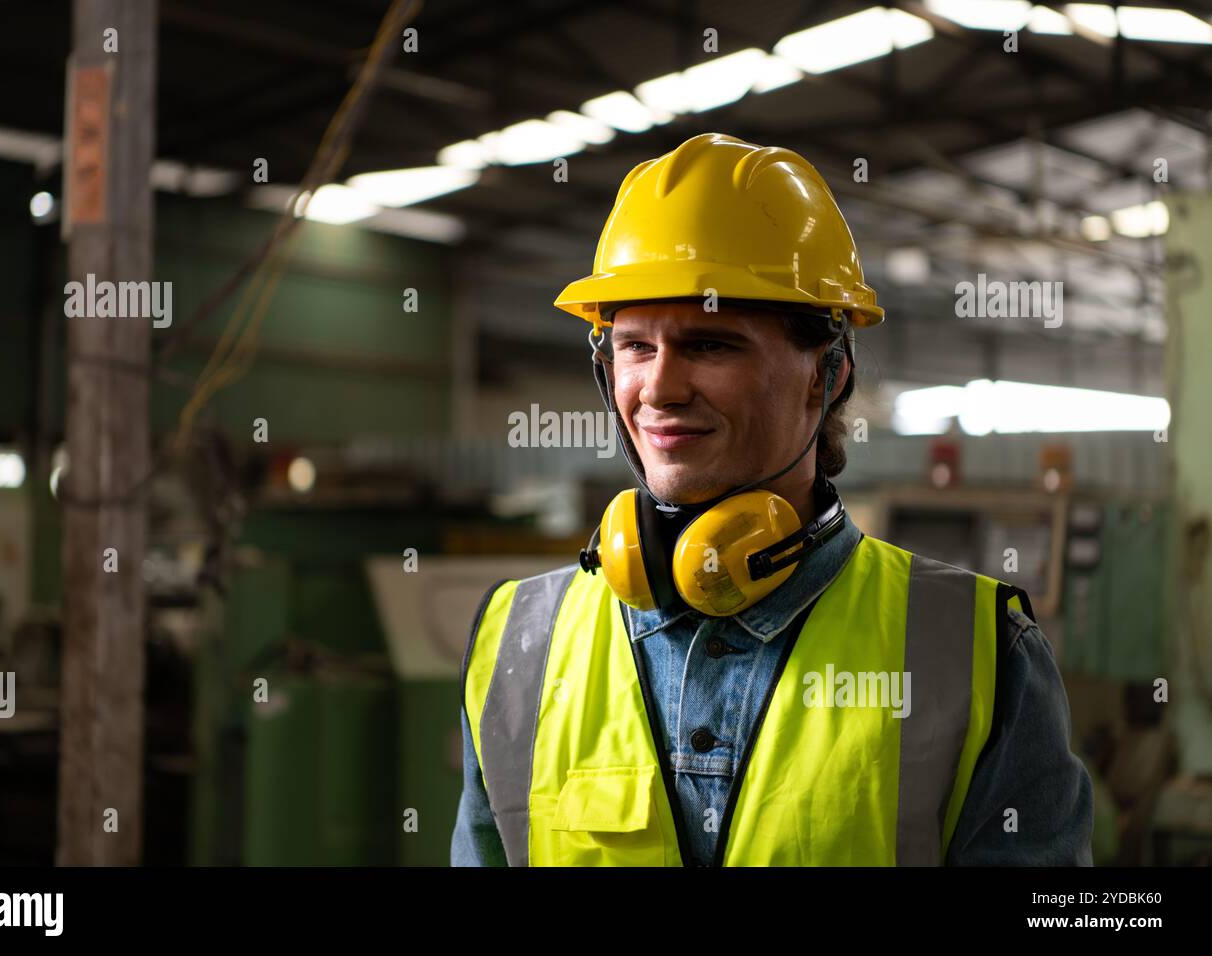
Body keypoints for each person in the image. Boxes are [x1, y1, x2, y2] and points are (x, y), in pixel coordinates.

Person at [451, 133, 1093, 866]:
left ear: (828, 374)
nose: (658, 389)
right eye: (635, 346)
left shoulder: (978, 653)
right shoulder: (516, 646)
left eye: (709, 345)